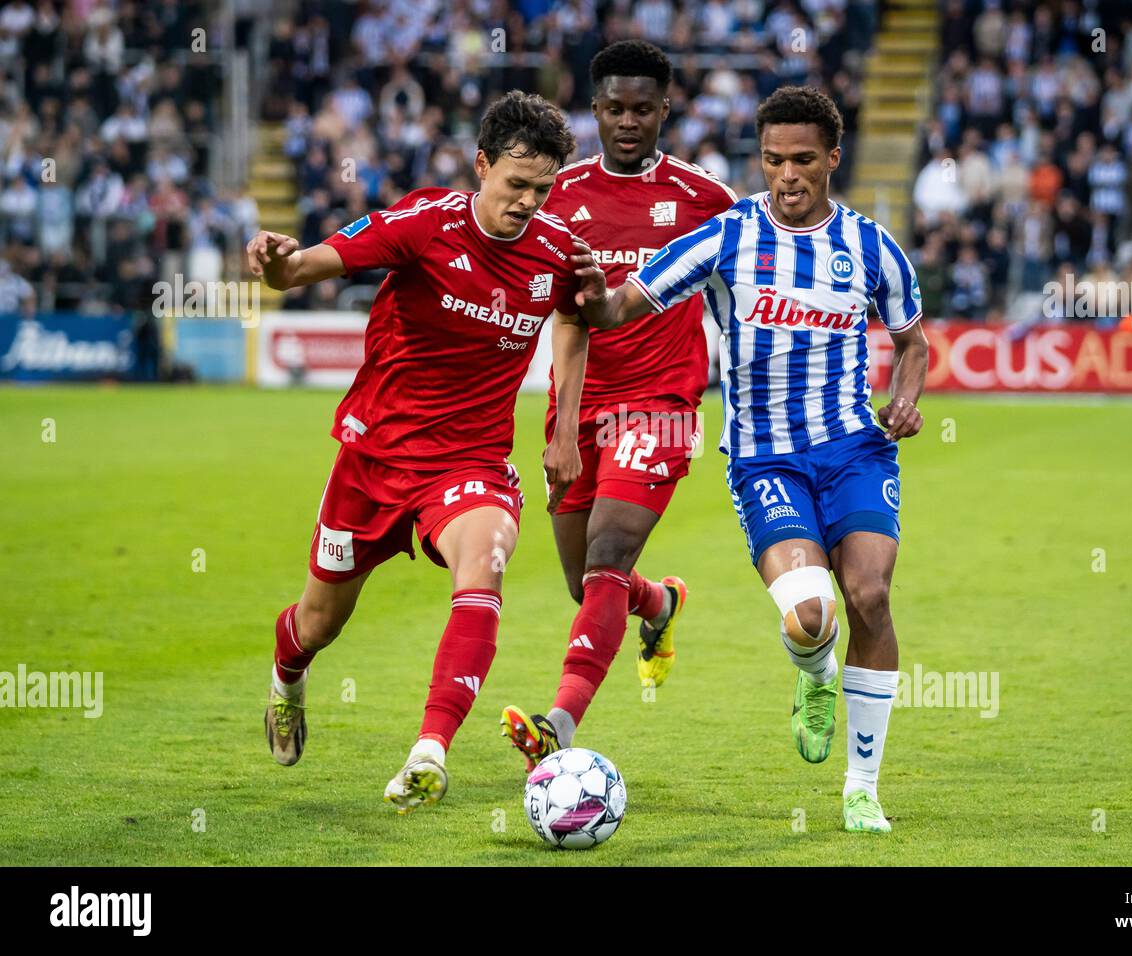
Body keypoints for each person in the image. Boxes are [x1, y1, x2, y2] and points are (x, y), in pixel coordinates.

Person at [570, 86, 929, 833]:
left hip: (854, 450)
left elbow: (913, 342)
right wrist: (595, 295)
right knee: (810, 616)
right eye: (772, 160)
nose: (787, 175)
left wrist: (903, 398)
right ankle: (816, 674)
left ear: (834, 158)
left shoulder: (871, 246)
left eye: (802, 160)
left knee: (869, 596)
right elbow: (620, 309)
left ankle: (862, 787)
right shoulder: (726, 236)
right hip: (766, 461)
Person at [246, 91, 589, 814]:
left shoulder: (557, 251)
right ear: (481, 166)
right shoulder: (426, 221)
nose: (527, 203)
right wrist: (277, 266)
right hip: (374, 459)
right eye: (515, 186)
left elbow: (573, 320)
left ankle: (428, 751)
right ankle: (287, 675)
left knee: (485, 562)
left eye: (542, 190)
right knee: (318, 624)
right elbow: (311, 266)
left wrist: (563, 434)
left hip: (471, 465)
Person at [498, 40, 738, 770]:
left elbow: (743, 304)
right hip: (579, 407)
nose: (628, 122)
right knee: (586, 584)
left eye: (643, 109)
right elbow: (565, 320)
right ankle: (658, 605)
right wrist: (562, 430)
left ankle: (558, 727)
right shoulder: (559, 196)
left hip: (662, 405)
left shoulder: (708, 200)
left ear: (666, 109)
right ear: (594, 109)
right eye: (614, 109)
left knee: (606, 555)